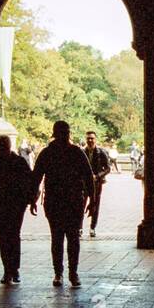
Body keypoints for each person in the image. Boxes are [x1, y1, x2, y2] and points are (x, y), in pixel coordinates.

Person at [30, 119, 94, 287]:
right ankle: (72, 273)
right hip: (72, 201)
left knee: (57, 238)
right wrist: (92, 200)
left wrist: (32, 199)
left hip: (55, 201)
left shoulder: (46, 153)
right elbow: (88, 177)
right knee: (72, 238)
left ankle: (60, 273)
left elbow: (36, 178)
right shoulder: (76, 152)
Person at [0, 134, 34, 284]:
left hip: (0, 204)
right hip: (16, 204)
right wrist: (29, 199)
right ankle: (14, 270)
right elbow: (29, 181)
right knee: (13, 236)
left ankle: (8, 270)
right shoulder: (19, 162)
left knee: (4, 237)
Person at [83, 130, 112, 238]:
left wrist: (98, 176)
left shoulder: (101, 152)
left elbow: (108, 168)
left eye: (92, 138)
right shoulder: (82, 152)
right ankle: (79, 227)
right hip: (84, 184)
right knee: (81, 205)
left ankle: (92, 227)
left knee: (95, 205)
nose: (90, 140)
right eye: (88, 138)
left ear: (95, 139)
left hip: (96, 183)